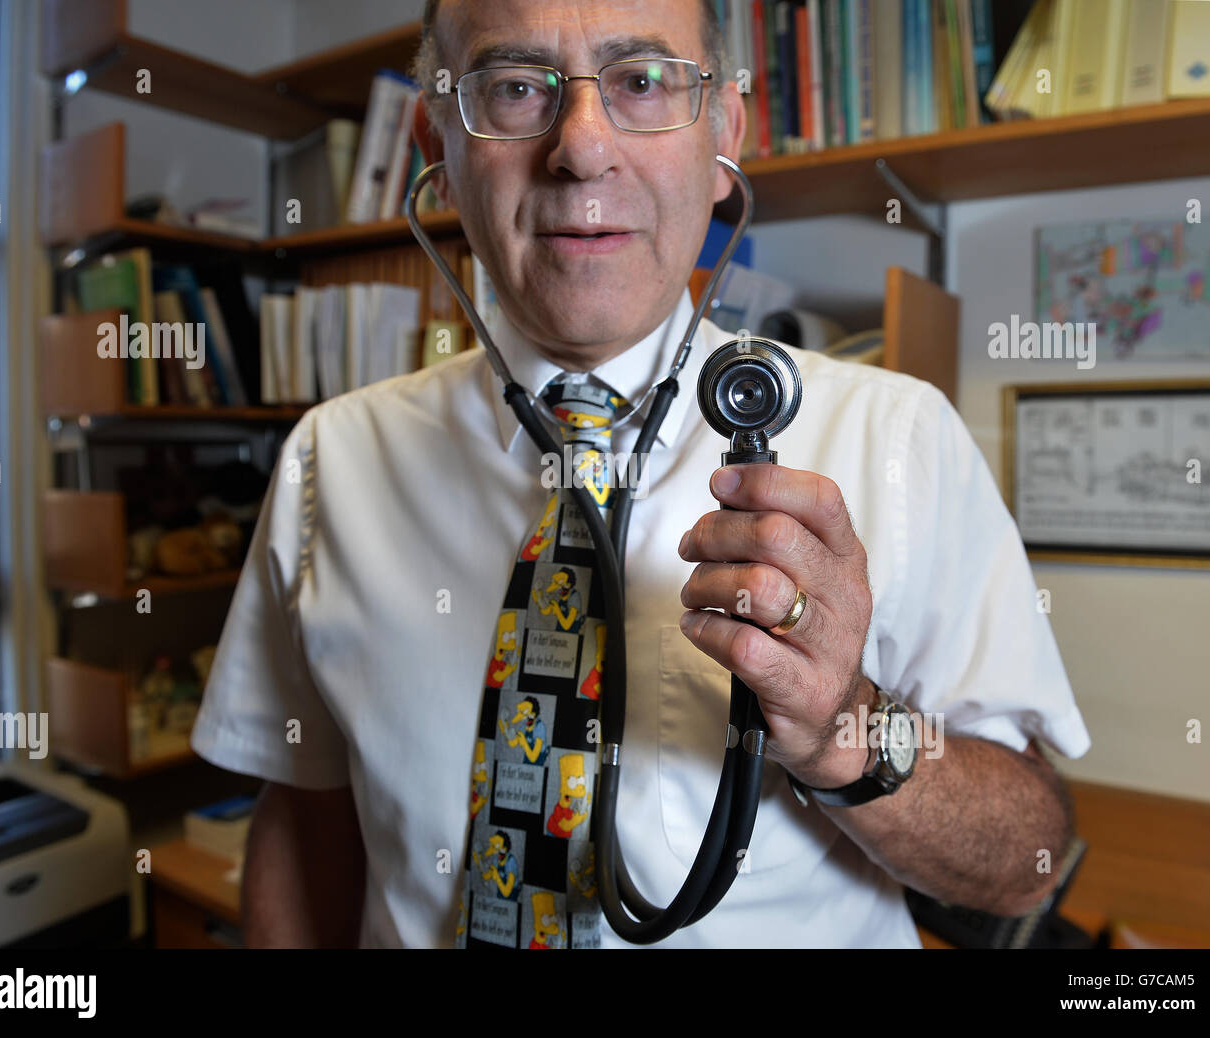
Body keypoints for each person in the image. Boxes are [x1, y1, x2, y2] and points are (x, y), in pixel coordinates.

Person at [191, 0, 1089, 948]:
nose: (581, 151)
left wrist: (843, 728)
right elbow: (308, 821)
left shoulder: (900, 439)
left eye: (643, 81)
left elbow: (1026, 859)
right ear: (439, 146)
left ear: (724, 132)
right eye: (515, 87)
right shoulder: (328, 464)